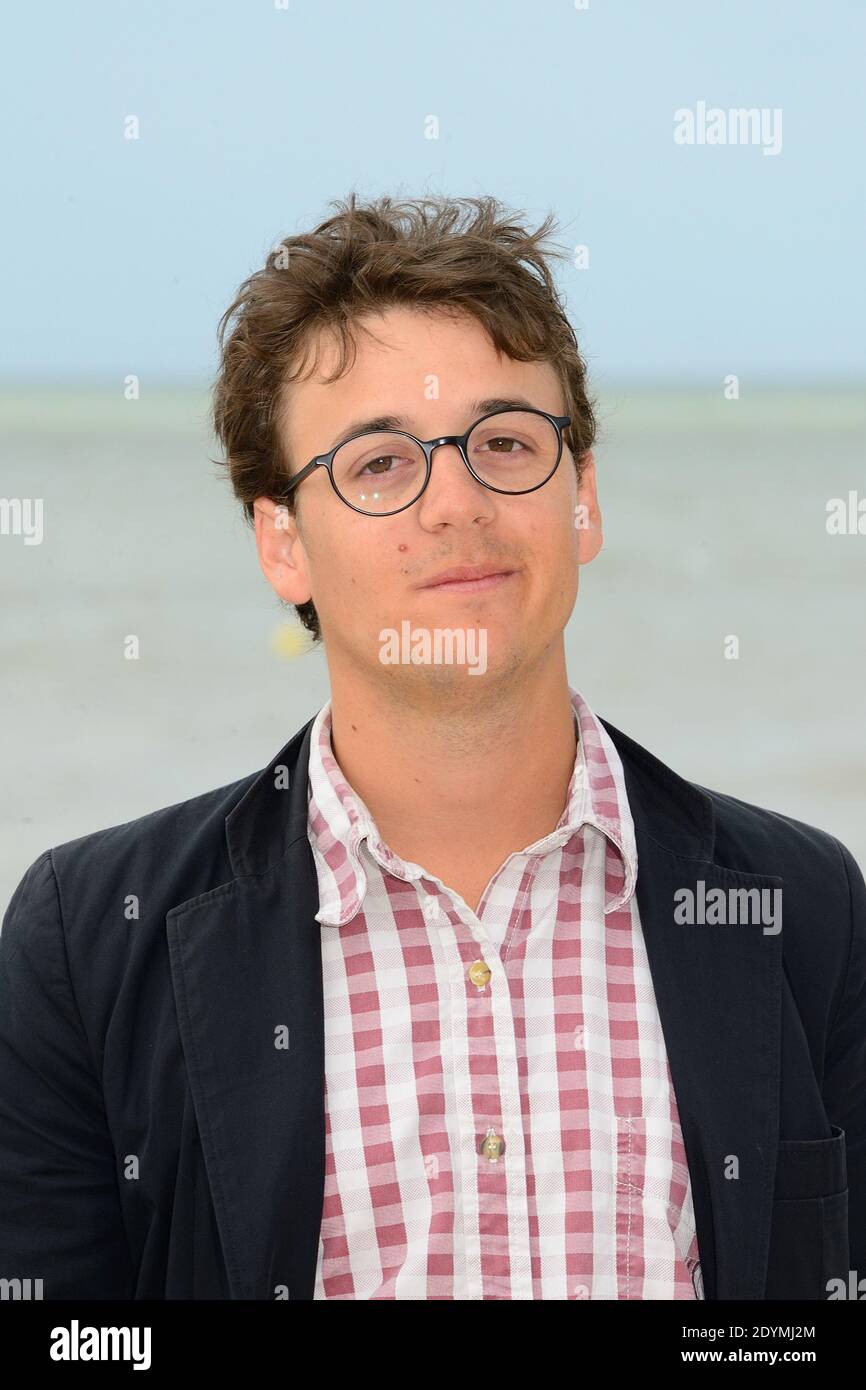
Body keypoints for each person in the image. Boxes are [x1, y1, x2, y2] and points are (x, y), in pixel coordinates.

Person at [1, 193, 863, 1301]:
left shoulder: (803, 908)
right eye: (378, 463)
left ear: (582, 498)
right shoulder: (86, 943)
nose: (455, 500)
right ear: (282, 545)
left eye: (505, 441)